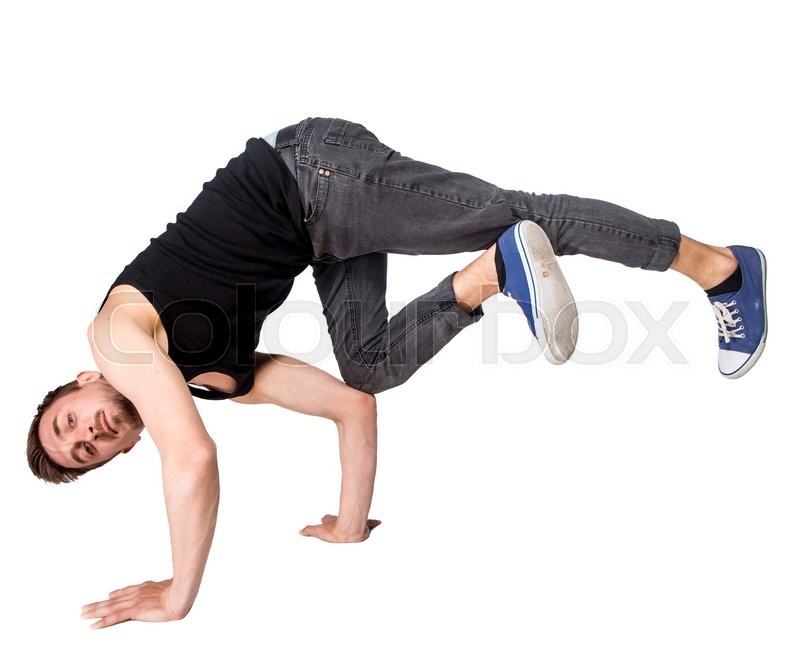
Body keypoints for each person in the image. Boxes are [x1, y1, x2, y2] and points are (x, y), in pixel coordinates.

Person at [27, 117, 768, 628]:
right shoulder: (205, 379)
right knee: (370, 364)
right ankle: (490, 275)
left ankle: (724, 270)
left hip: (316, 175)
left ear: (80, 381)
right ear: (120, 453)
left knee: (525, 212)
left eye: (68, 422)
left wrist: (178, 593)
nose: (88, 432)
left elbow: (190, 456)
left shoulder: (113, 336)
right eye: (87, 450)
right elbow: (351, 405)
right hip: (321, 229)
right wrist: (349, 527)